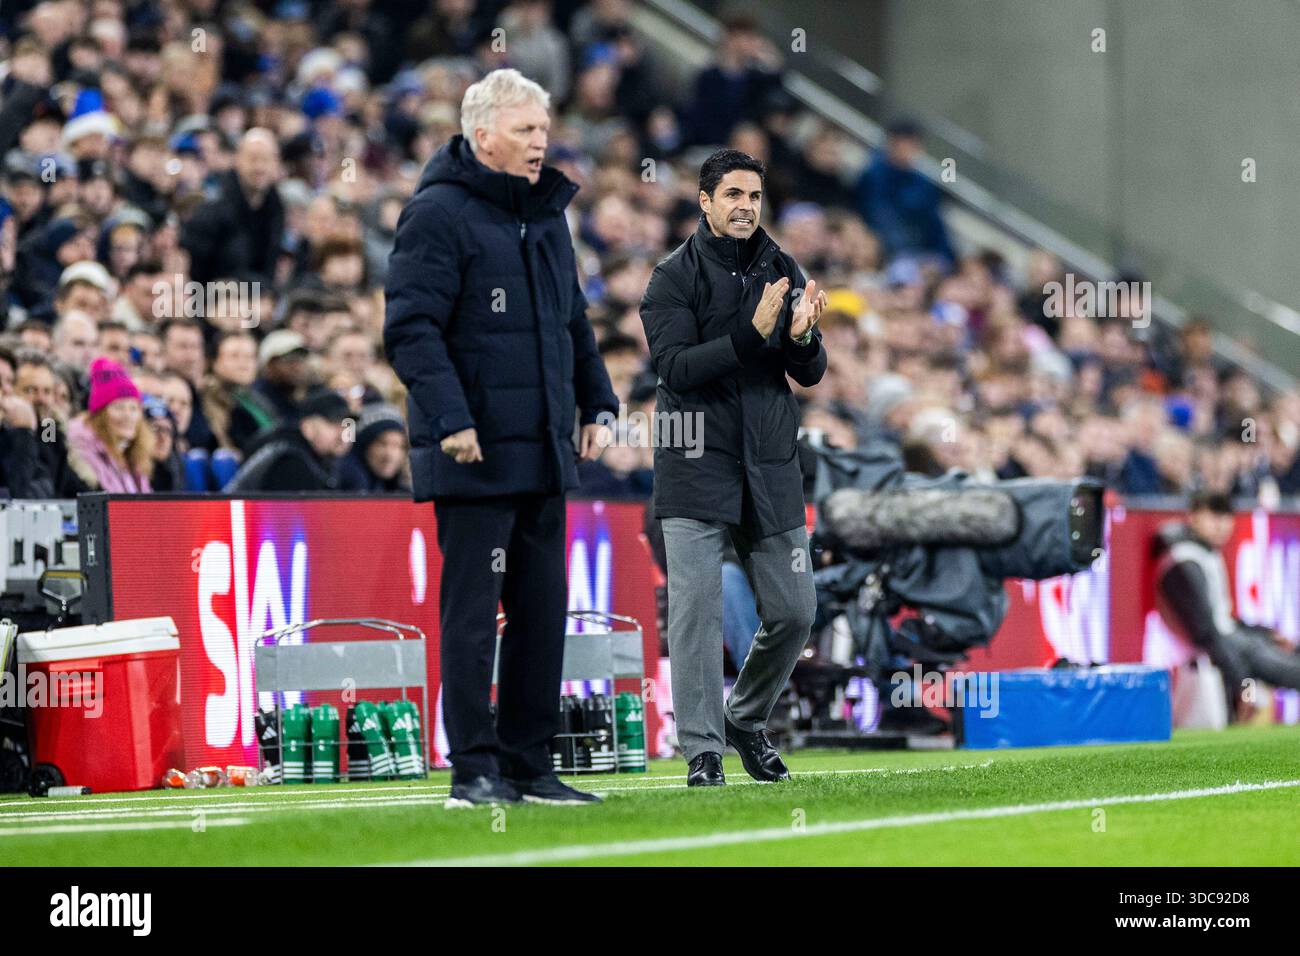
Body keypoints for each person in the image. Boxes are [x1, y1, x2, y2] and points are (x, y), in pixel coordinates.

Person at [384, 69, 618, 808]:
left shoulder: (547, 217)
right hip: (476, 453)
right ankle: (474, 770)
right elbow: (411, 329)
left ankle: (529, 766)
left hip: (544, 448)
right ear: (482, 134)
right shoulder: (436, 214)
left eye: (544, 132)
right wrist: (452, 419)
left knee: (543, 615)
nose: (539, 145)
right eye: (525, 131)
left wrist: (599, 402)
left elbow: (572, 321)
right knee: (471, 617)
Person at [639, 147, 827, 787]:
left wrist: (802, 339)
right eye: (733, 196)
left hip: (770, 461)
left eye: (754, 196)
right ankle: (702, 750)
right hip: (693, 459)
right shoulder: (672, 277)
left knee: (797, 609)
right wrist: (753, 334)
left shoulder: (782, 265)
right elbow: (676, 369)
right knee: (696, 612)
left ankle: (744, 718)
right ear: (705, 201)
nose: (745, 207)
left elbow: (808, 371)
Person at [1154, 490, 1300, 715]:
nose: (1222, 525)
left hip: (1232, 645)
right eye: (1214, 516)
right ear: (1193, 517)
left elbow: (1222, 621)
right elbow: (1206, 633)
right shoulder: (1184, 561)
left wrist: (1265, 633)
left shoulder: (1206, 555)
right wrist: (1243, 685)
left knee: (1291, 649)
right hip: (1218, 655)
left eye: (1226, 516)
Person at [223, 388, 351, 493]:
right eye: (334, 424)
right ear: (308, 428)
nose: (343, 434)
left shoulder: (325, 459)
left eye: (347, 425)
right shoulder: (289, 460)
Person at [65, 356, 154, 493]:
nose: (128, 416)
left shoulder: (131, 454)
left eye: (133, 408)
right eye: (119, 408)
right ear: (100, 415)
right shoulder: (80, 451)